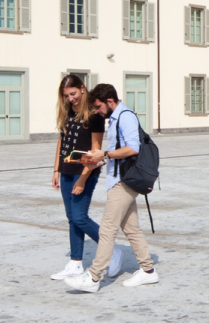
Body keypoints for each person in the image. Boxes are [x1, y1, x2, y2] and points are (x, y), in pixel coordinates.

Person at [65, 84, 159, 293]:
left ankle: (93, 276)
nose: (97, 111)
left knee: (107, 229)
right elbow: (120, 151)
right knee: (131, 228)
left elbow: (133, 148)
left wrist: (105, 154)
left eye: (98, 107)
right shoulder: (117, 117)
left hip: (123, 182)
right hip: (121, 177)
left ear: (109, 101)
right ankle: (148, 271)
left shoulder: (125, 116)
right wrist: (99, 159)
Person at [48, 75, 124, 281]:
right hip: (66, 171)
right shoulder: (67, 113)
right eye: (66, 96)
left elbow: (95, 150)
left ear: (82, 89)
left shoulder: (95, 115)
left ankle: (113, 251)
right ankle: (75, 263)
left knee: (80, 216)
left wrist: (82, 179)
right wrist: (56, 170)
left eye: (73, 94)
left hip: (85, 172)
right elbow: (61, 143)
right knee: (72, 218)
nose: (70, 99)